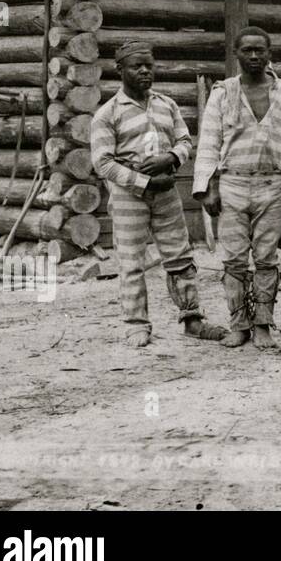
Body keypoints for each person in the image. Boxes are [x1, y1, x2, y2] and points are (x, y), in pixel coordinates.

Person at [91, 41, 227, 347]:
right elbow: (102, 162)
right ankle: (137, 324)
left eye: (148, 65)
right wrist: (142, 182)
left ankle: (192, 320)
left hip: (167, 194)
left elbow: (185, 139)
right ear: (120, 70)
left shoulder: (167, 104)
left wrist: (171, 159)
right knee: (131, 261)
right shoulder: (107, 114)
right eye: (136, 66)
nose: (143, 71)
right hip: (129, 197)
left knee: (180, 255)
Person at [193, 26, 281, 350]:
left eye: (260, 50)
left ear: (270, 53)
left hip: (272, 184)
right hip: (232, 184)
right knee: (234, 260)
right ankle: (239, 324)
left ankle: (264, 324)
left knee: (267, 258)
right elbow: (209, 142)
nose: (254, 56)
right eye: (247, 50)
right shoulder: (223, 93)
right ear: (236, 54)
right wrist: (208, 188)